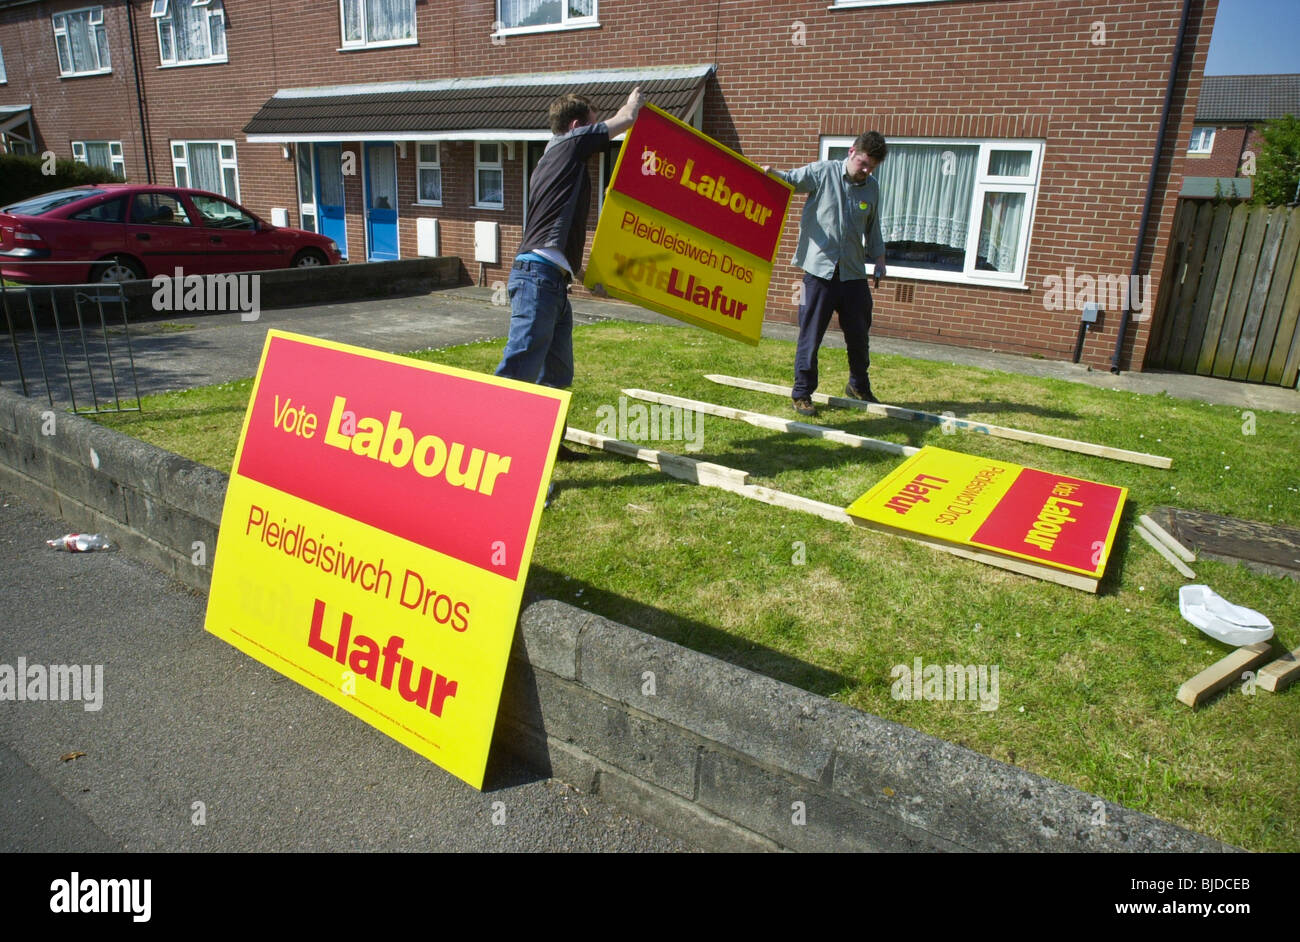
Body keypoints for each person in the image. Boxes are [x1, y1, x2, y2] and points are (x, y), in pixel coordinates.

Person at [494, 86, 645, 461]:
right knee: (520, 369)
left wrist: (583, 276)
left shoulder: (564, 165)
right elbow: (623, 121)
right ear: (577, 127)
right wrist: (633, 104)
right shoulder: (564, 147)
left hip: (553, 283)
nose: (595, 136)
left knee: (557, 376)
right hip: (536, 280)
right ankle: (495, 455)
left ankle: (544, 449)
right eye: (591, 127)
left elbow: (556, 238)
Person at [764, 131, 889, 415]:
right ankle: (802, 393)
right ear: (851, 152)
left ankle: (858, 384)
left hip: (853, 274)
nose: (866, 171)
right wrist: (771, 174)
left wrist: (879, 259)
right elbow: (791, 181)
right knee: (811, 335)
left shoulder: (872, 187)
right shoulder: (823, 172)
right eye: (864, 164)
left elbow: (873, 227)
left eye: (872, 167)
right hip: (818, 272)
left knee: (859, 335)